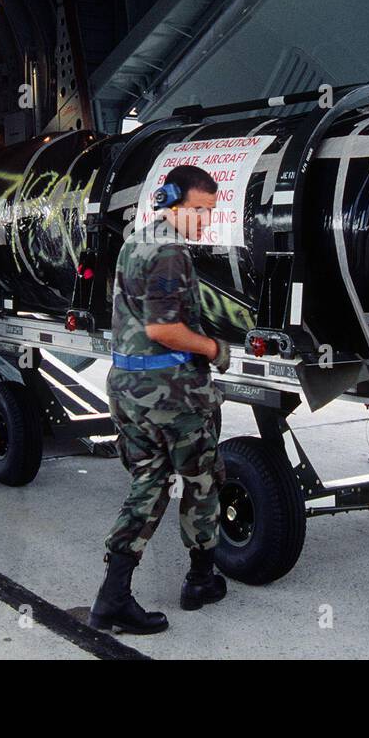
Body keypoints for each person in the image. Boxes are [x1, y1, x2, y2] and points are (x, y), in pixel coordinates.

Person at [88, 164, 233, 635]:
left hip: (129, 388)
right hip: (170, 394)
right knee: (203, 479)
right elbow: (162, 328)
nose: (205, 221)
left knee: (148, 483)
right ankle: (201, 579)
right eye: (199, 210)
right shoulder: (169, 251)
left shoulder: (136, 240)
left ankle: (112, 597)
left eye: (210, 212)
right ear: (173, 201)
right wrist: (214, 349)